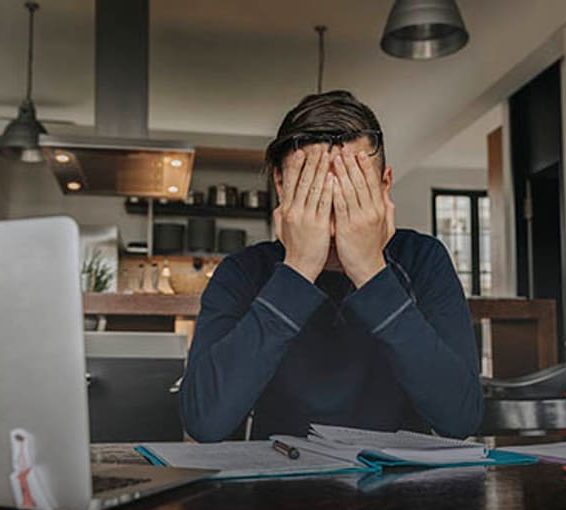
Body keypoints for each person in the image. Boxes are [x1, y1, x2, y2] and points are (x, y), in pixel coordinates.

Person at [180, 90, 483, 442]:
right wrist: (297, 271)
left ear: (384, 185)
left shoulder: (423, 260)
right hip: (279, 486)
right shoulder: (244, 272)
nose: (335, 213)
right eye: (313, 191)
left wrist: (371, 271)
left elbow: (461, 419)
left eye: (354, 190)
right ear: (281, 186)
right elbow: (204, 422)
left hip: (402, 486)